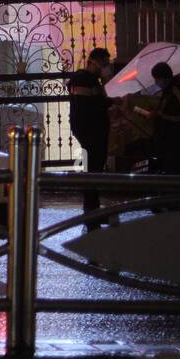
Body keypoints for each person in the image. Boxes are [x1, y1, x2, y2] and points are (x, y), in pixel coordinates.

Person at [68, 47, 112, 226]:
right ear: (96, 62)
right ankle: (91, 209)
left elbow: (96, 102)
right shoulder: (83, 80)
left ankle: (93, 207)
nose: (107, 67)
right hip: (90, 131)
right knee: (93, 168)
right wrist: (110, 102)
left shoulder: (92, 80)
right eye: (105, 64)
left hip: (94, 130)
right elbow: (89, 106)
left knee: (95, 168)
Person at [136, 61, 180, 174]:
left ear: (164, 77)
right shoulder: (168, 90)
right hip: (167, 138)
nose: (156, 82)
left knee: (175, 169)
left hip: (176, 138)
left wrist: (160, 114)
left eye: (157, 79)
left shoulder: (176, 89)